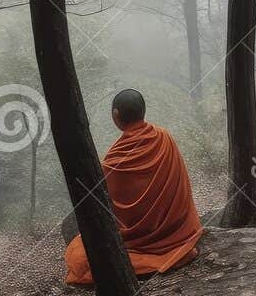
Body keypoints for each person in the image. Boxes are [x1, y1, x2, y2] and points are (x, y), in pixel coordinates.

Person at [64, 89, 204, 285]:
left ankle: (147, 259)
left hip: (135, 240)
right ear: (143, 111)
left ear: (116, 115)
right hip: (177, 233)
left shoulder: (114, 160)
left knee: (78, 257)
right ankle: (175, 253)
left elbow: (107, 205)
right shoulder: (165, 138)